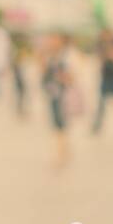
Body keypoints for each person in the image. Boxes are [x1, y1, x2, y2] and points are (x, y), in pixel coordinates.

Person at [40, 33, 75, 167]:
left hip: (63, 94)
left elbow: (71, 76)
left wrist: (60, 76)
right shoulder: (50, 56)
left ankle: (61, 152)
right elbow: (43, 73)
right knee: (57, 124)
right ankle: (63, 150)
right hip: (53, 94)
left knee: (60, 123)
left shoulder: (67, 56)